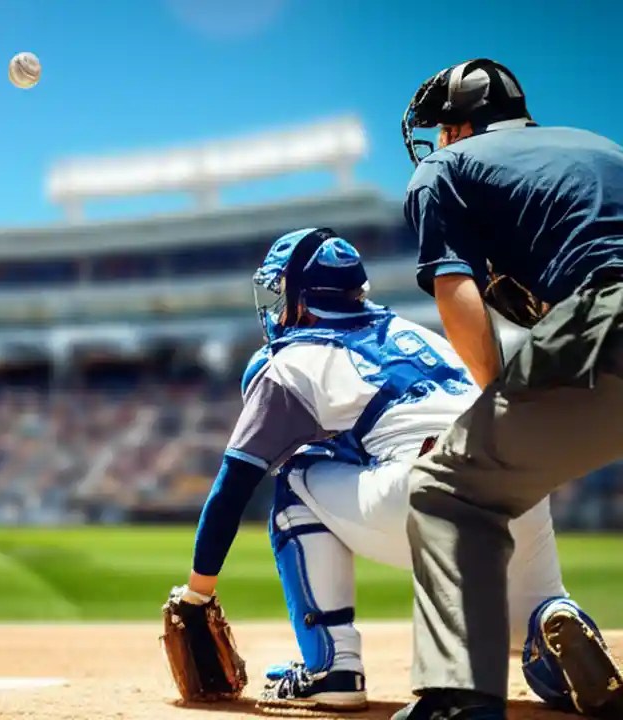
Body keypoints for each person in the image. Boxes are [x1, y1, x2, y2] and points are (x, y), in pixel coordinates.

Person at [173, 228, 610, 713]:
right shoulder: (417, 333)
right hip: (520, 477)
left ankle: (332, 669)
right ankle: (554, 620)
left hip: (430, 487)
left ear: (301, 297)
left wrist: (197, 594)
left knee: (297, 472)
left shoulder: (292, 362)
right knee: (529, 622)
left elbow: (232, 487)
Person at [398, 58, 623, 719]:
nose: (440, 141)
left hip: (608, 317)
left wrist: (496, 408)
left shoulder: (445, 168)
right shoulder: (602, 146)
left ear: (459, 126)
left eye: (443, 130)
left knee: (449, 490)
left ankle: (458, 703)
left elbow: (456, 291)